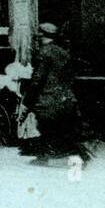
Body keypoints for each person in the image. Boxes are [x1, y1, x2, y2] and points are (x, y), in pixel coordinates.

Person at [22, 22, 88, 165]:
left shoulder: (44, 52)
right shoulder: (63, 52)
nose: (37, 36)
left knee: (46, 129)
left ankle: (48, 158)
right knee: (62, 130)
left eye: (39, 33)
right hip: (66, 99)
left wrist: (27, 101)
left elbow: (37, 80)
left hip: (48, 100)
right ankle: (73, 156)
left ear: (42, 35)